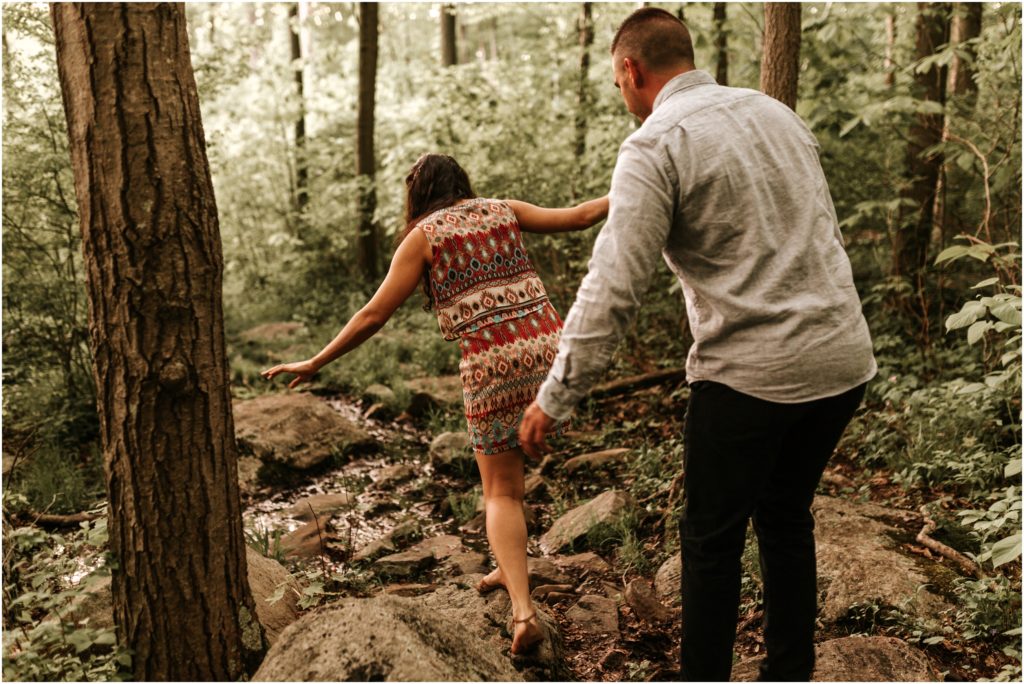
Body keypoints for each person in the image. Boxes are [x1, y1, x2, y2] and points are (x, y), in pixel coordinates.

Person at [518, 8, 876, 682]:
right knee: (785, 516)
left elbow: (614, 286)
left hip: (752, 374)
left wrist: (555, 395)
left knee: (710, 543)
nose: (621, 95)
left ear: (631, 70)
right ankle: (788, 674)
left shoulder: (655, 145)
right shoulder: (775, 114)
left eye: (617, 81)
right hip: (842, 360)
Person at [262, 153, 608, 656]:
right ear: (462, 183)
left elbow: (374, 313)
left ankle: (523, 613)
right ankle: (509, 564)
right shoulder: (502, 209)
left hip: (494, 363)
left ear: (416, 194)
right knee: (513, 472)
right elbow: (579, 215)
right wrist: (635, 186)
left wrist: (316, 361)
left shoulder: (423, 236)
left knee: (501, 493)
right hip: (549, 350)